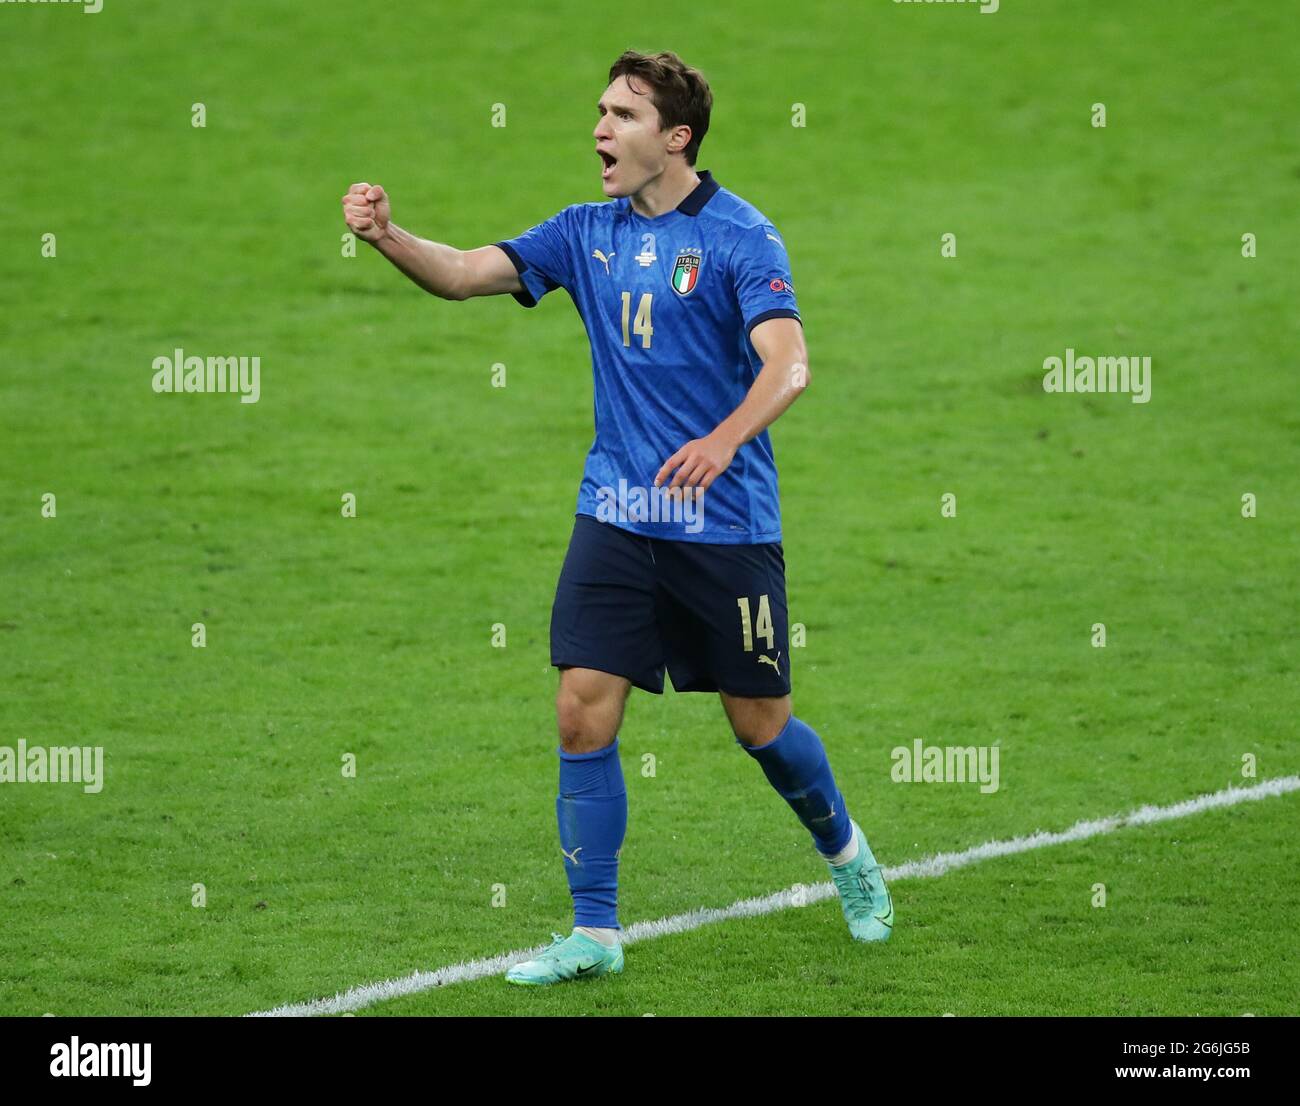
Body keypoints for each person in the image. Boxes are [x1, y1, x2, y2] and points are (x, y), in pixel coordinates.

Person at [341, 49, 893, 987]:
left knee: (761, 726)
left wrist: (722, 441)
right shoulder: (583, 232)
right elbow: (470, 272)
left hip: (725, 527)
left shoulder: (740, 237)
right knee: (580, 713)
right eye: (599, 111)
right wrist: (390, 237)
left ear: (675, 140)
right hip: (618, 514)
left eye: (624, 115)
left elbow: (789, 364)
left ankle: (848, 856)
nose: (600, 129)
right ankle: (594, 935)